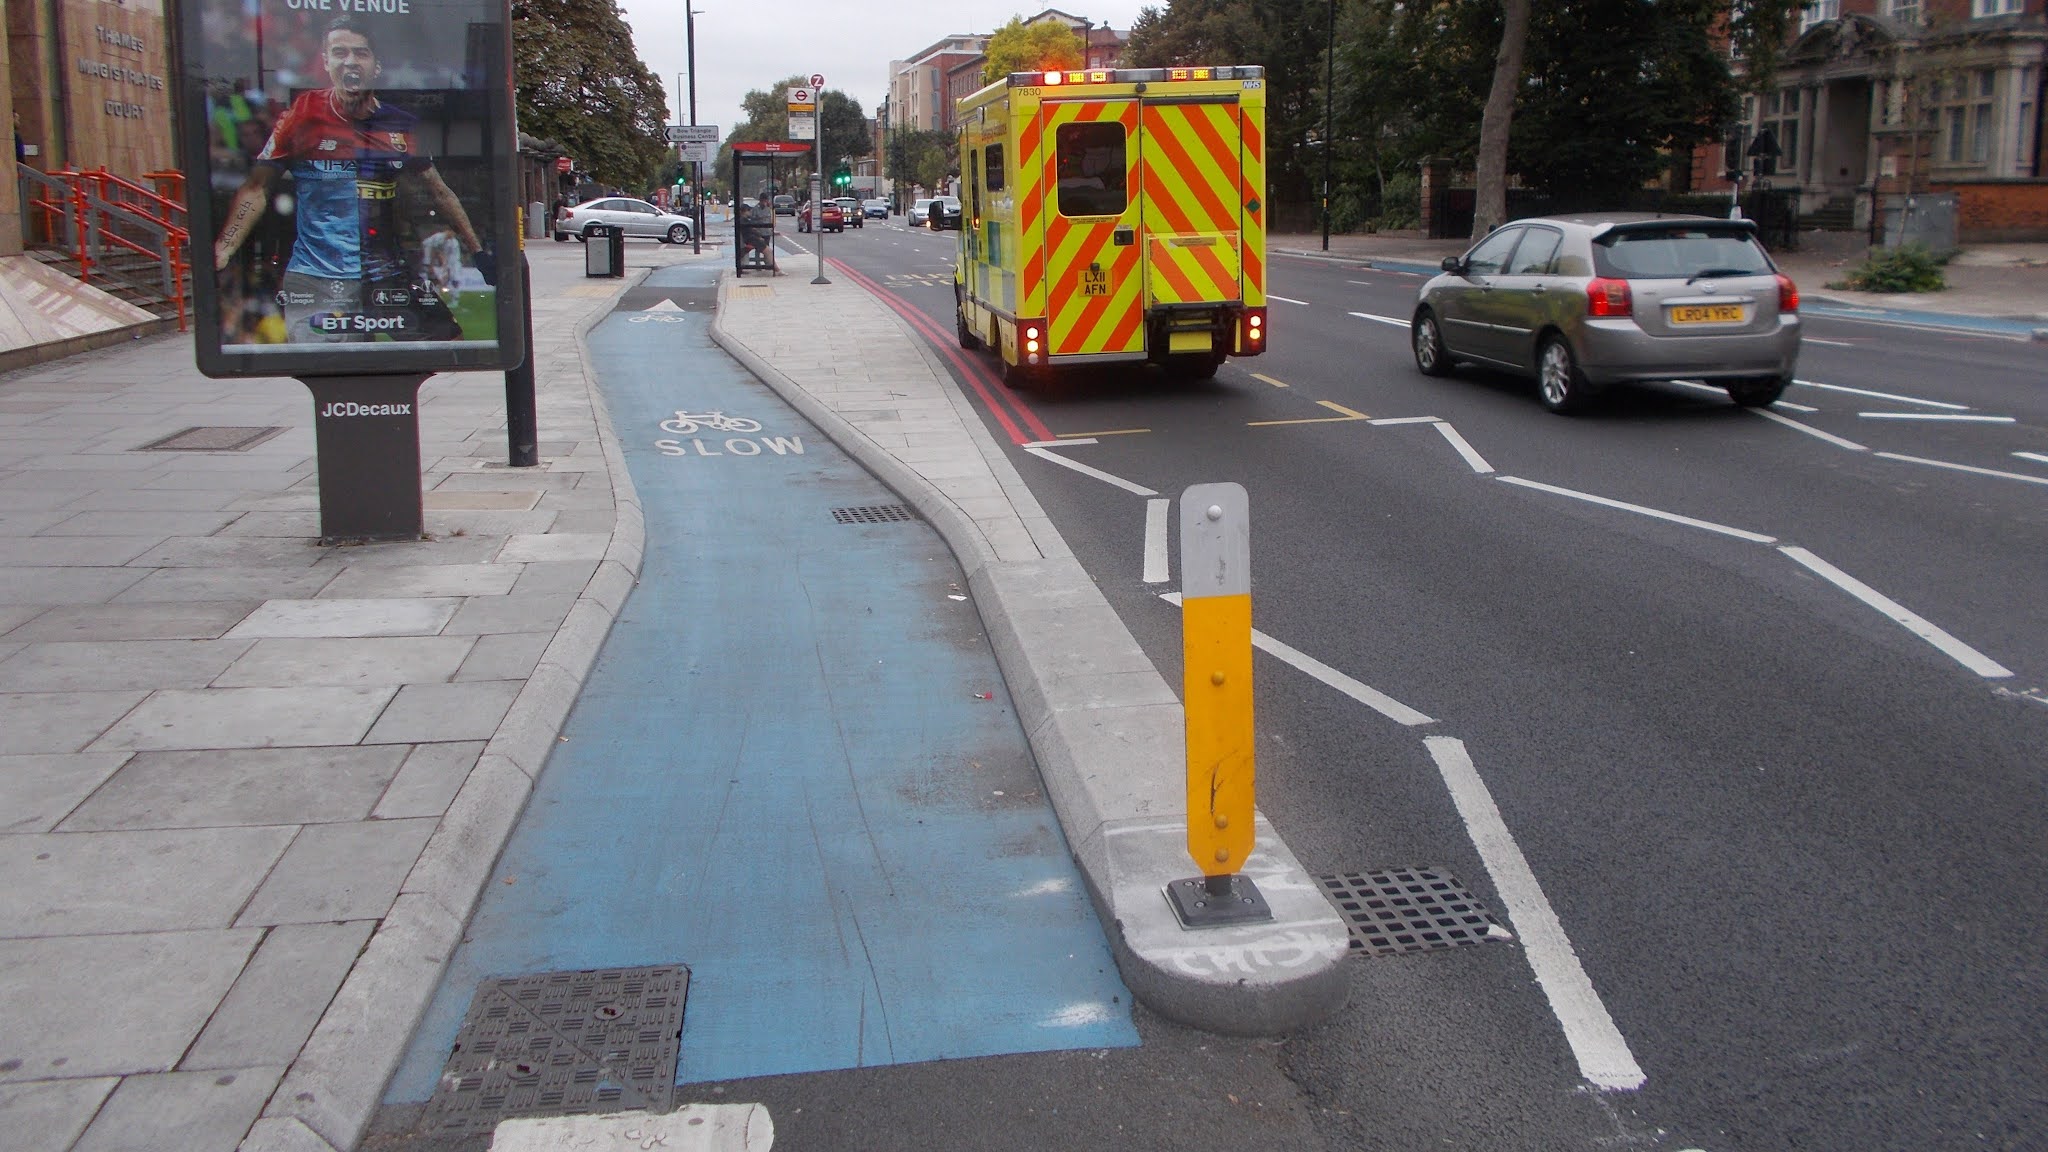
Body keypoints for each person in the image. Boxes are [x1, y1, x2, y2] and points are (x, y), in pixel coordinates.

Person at [212, 15, 487, 343]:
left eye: (360, 53)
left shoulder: (400, 125)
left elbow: (440, 193)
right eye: (340, 53)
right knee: (337, 365)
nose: (350, 61)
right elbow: (256, 187)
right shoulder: (301, 117)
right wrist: (224, 248)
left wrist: (479, 252)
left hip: (387, 274)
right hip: (318, 279)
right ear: (326, 62)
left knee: (450, 345)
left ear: (376, 66)